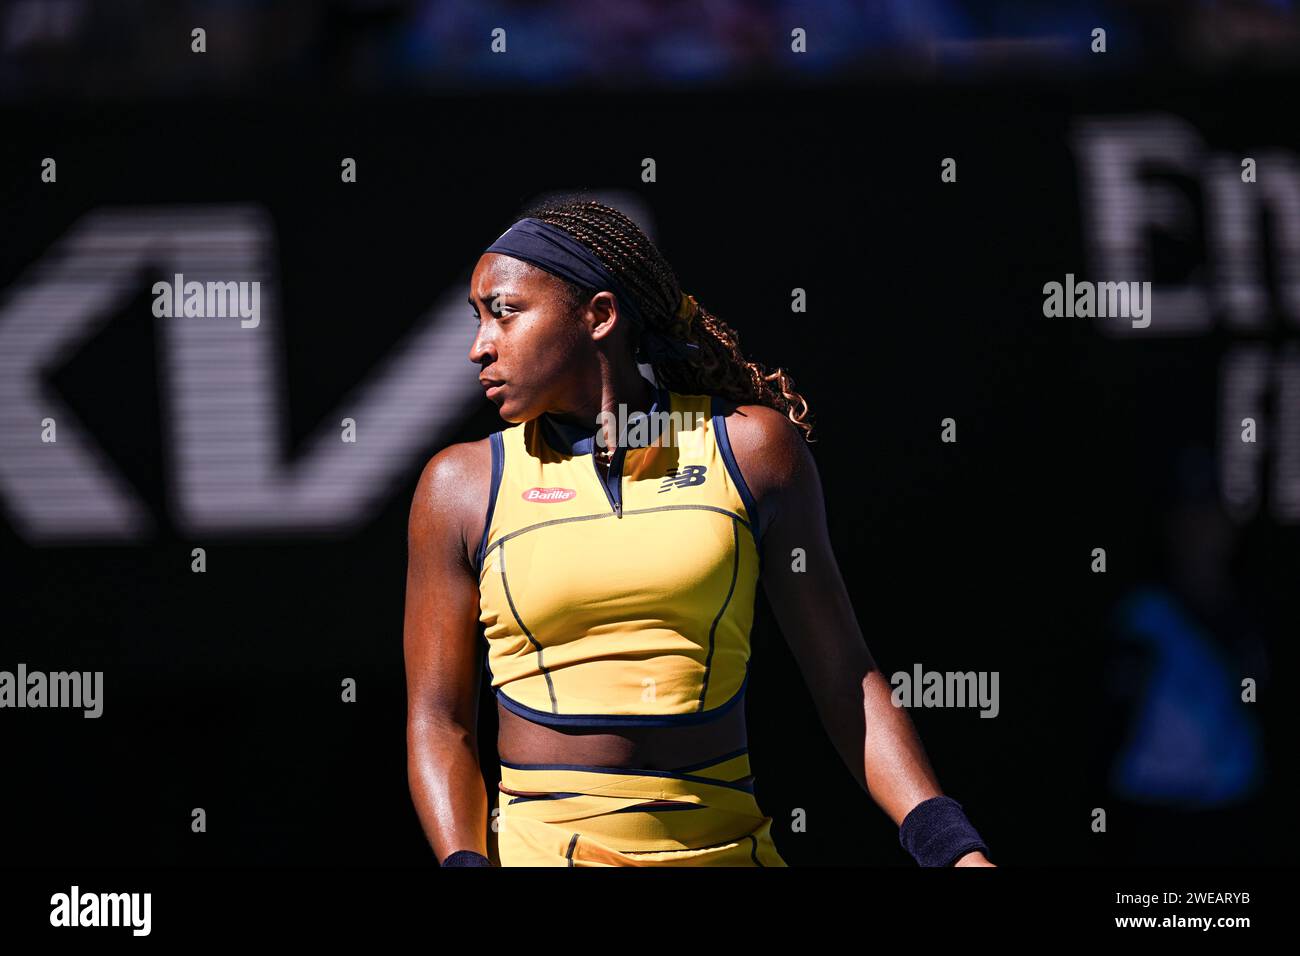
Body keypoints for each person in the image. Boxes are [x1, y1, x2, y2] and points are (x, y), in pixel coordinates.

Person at [404, 197, 993, 867]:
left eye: (505, 312)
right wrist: (464, 863)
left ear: (598, 316)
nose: (479, 346)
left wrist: (950, 848)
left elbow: (845, 677)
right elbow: (438, 721)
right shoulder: (458, 486)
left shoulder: (754, 451)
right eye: (476, 318)